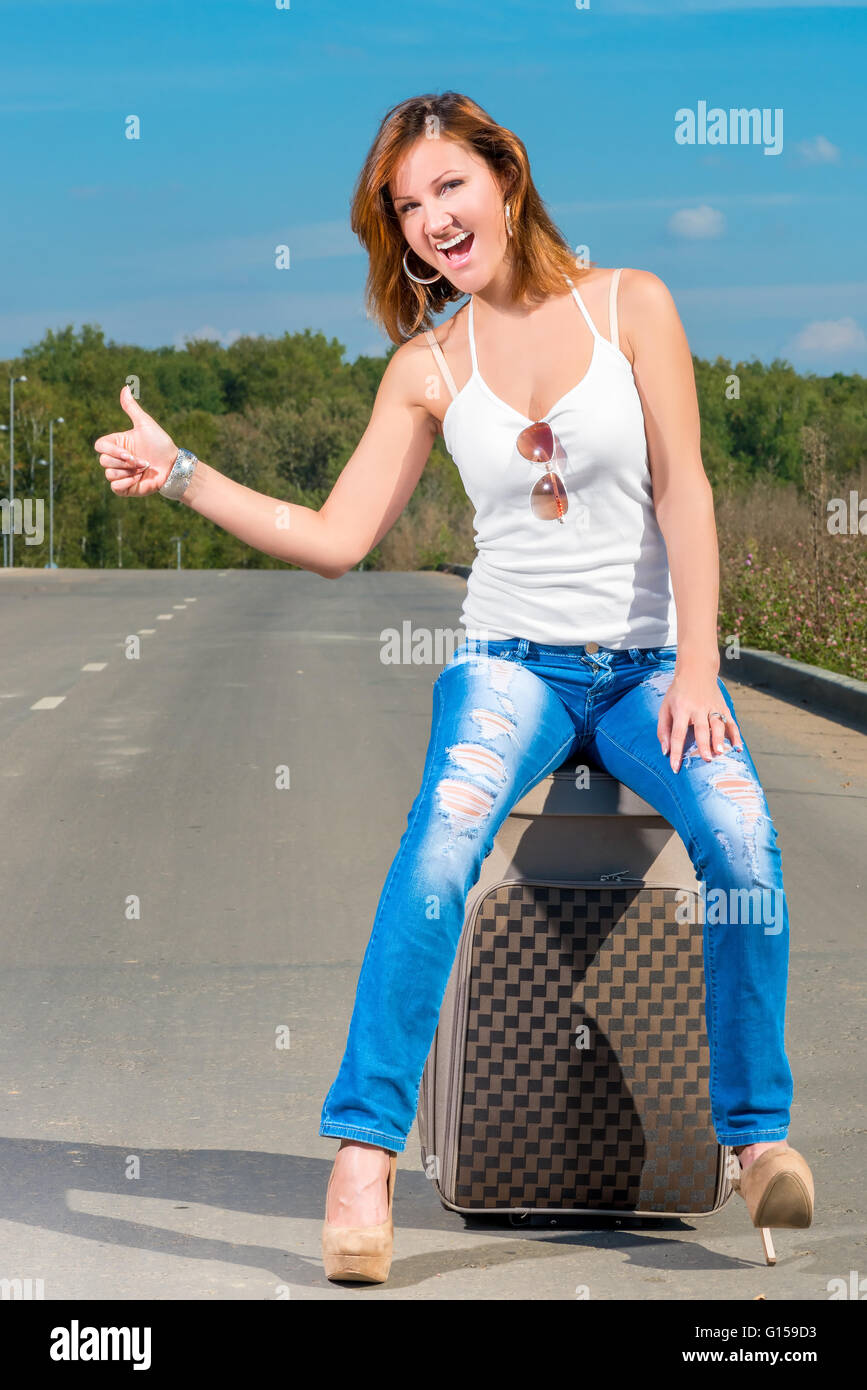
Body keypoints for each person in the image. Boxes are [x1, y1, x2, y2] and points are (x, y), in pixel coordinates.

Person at [94, 90, 814, 1288]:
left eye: (449, 187)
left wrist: (699, 663)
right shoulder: (429, 365)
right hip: (511, 664)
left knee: (743, 838)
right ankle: (363, 1153)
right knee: (440, 849)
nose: (431, 219)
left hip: (647, 668)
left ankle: (754, 1139)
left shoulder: (633, 302)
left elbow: (686, 485)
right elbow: (335, 535)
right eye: (406, 206)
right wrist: (183, 474)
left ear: (505, 176)